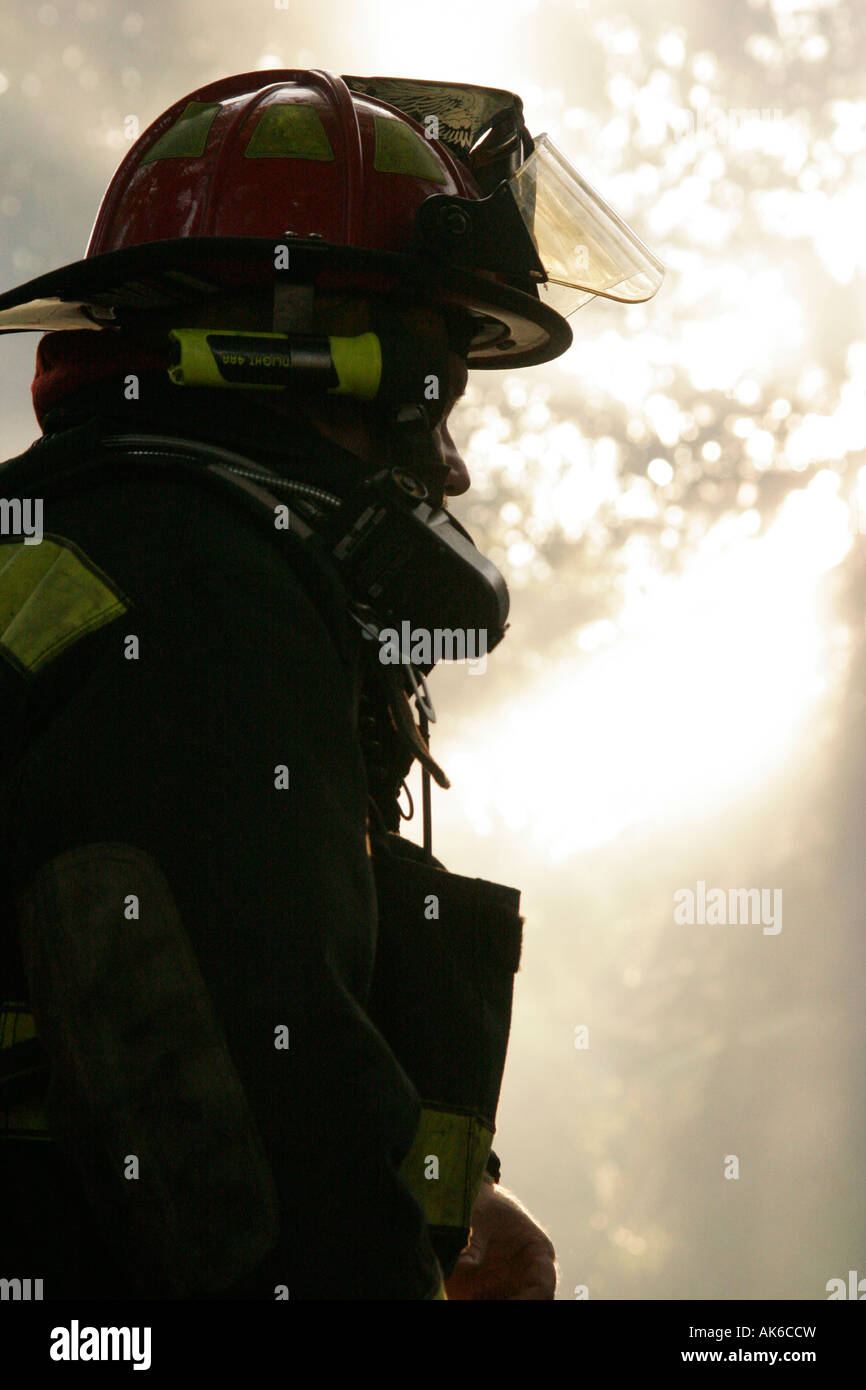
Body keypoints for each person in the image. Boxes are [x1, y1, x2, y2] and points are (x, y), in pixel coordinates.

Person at [0, 69, 663, 1300]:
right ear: (309, 353)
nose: (450, 473)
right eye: (435, 390)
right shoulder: (197, 599)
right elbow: (241, 1181)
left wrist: (446, 1204)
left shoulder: (81, 553)